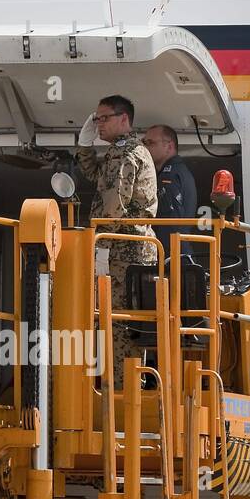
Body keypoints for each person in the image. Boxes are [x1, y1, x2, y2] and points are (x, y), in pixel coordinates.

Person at [76, 95, 157, 389]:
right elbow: (96, 177)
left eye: (104, 118)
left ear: (124, 119)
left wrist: (100, 243)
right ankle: (122, 391)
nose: (99, 124)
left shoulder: (126, 154)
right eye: (96, 119)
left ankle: (123, 397)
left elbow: (113, 205)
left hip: (123, 253)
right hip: (125, 251)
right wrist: (85, 145)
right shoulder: (121, 152)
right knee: (117, 324)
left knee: (119, 326)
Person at [142, 124, 199, 258]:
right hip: (178, 253)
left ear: (169, 146)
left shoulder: (169, 176)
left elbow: (169, 224)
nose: (145, 147)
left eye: (150, 143)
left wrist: (159, 258)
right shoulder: (178, 172)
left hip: (171, 256)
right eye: (144, 142)